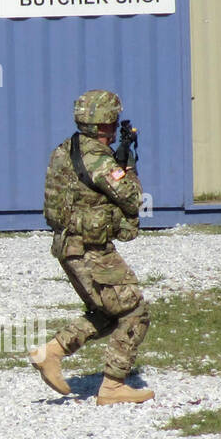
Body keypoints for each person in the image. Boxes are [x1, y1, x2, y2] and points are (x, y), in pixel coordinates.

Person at [29, 89, 154, 405]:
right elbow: (131, 197)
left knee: (108, 311)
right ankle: (112, 387)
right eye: (111, 124)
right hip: (91, 250)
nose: (113, 130)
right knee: (135, 310)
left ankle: (51, 353)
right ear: (101, 126)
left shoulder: (66, 148)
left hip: (71, 247)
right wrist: (129, 168)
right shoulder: (99, 158)